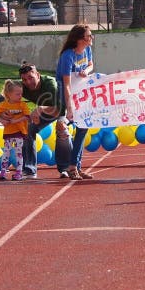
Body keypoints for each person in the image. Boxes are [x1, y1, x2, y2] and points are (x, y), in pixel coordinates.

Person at [0, 62, 63, 179]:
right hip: (44, 110)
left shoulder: (50, 84)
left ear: (38, 75)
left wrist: (40, 109)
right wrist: (4, 113)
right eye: (24, 79)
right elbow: (10, 97)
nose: (28, 82)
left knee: (62, 130)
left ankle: (66, 168)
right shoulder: (23, 88)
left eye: (30, 78)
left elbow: (58, 110)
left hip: (64, 109)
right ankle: (29, 169)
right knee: (27, 129)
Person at [56, 24, 95, 180]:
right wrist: (69, 107)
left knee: (83, 127)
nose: (91, 38)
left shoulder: (87, 50)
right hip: (66, 94)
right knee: (66, 127)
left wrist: (86, 71)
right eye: (89, 36)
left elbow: (91, 64)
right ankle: (68, 167)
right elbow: (66, 83)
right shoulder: (67, 56)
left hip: (82, 94)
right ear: (80, 39)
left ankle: (75, 166)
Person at [0, 79, 31, 181]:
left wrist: (16, 120)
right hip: (8, 132)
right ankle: (3, 172)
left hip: (20, 132)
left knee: (19, 153)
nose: (20, 96)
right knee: (6, 152)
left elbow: (27, 116)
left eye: (21, 94)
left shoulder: (22, 105)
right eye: (17, 94)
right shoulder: (3, 105)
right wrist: (2, 121)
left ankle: (19, 172)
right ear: (9, 94)